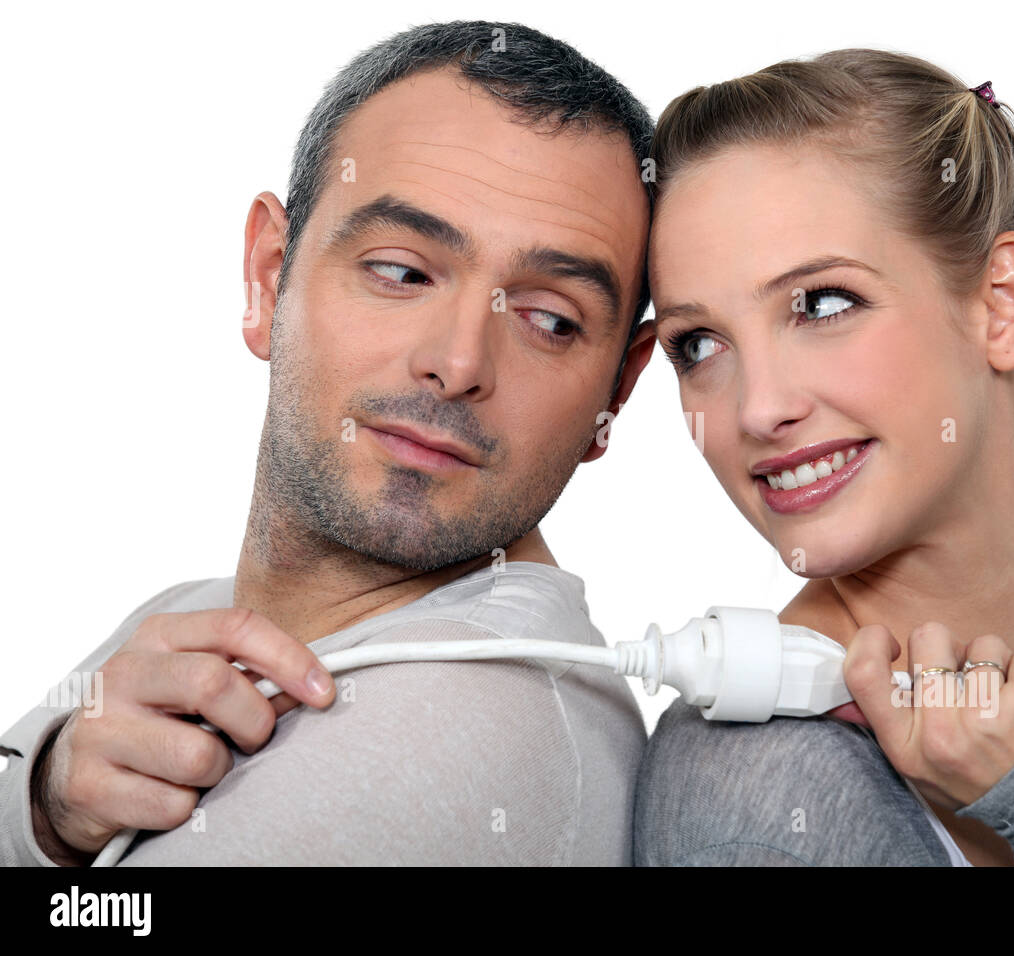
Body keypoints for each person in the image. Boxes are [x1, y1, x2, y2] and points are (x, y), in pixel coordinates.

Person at [0, 20, 659, 866]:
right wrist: (48, 807)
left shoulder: (453, 726)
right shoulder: (188, 616)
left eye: (549, 319)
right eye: (401, 271)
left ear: (619, 390)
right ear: (269, 274)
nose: (457, 364)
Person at [634, 50, 1014, 866]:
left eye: (822, 304)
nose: (757, 408)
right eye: (700, 344)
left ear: (1002, 305)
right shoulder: (760, 793)